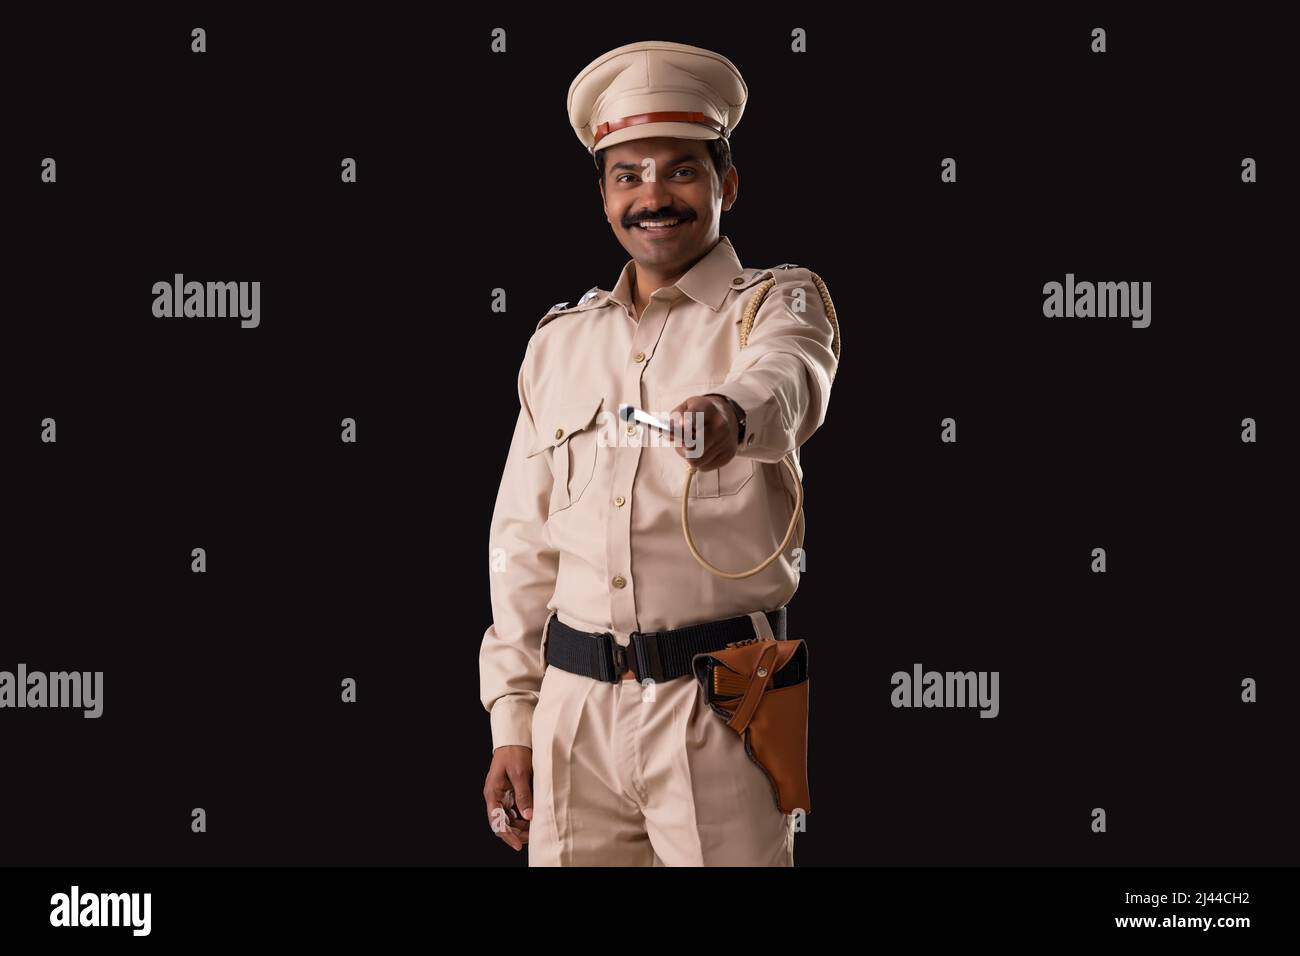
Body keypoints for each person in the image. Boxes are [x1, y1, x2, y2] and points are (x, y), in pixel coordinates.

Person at [480, 39, 840, 865]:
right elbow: (522, 545)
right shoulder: (558, 344)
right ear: (604, 195)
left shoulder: (776, 305)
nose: (653, 196)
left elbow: (789, 379)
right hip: (570, 712)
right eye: (627, 175)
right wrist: (513, 717)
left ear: (727, 185)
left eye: (680, 170)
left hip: (722, 700)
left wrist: (728, 415)